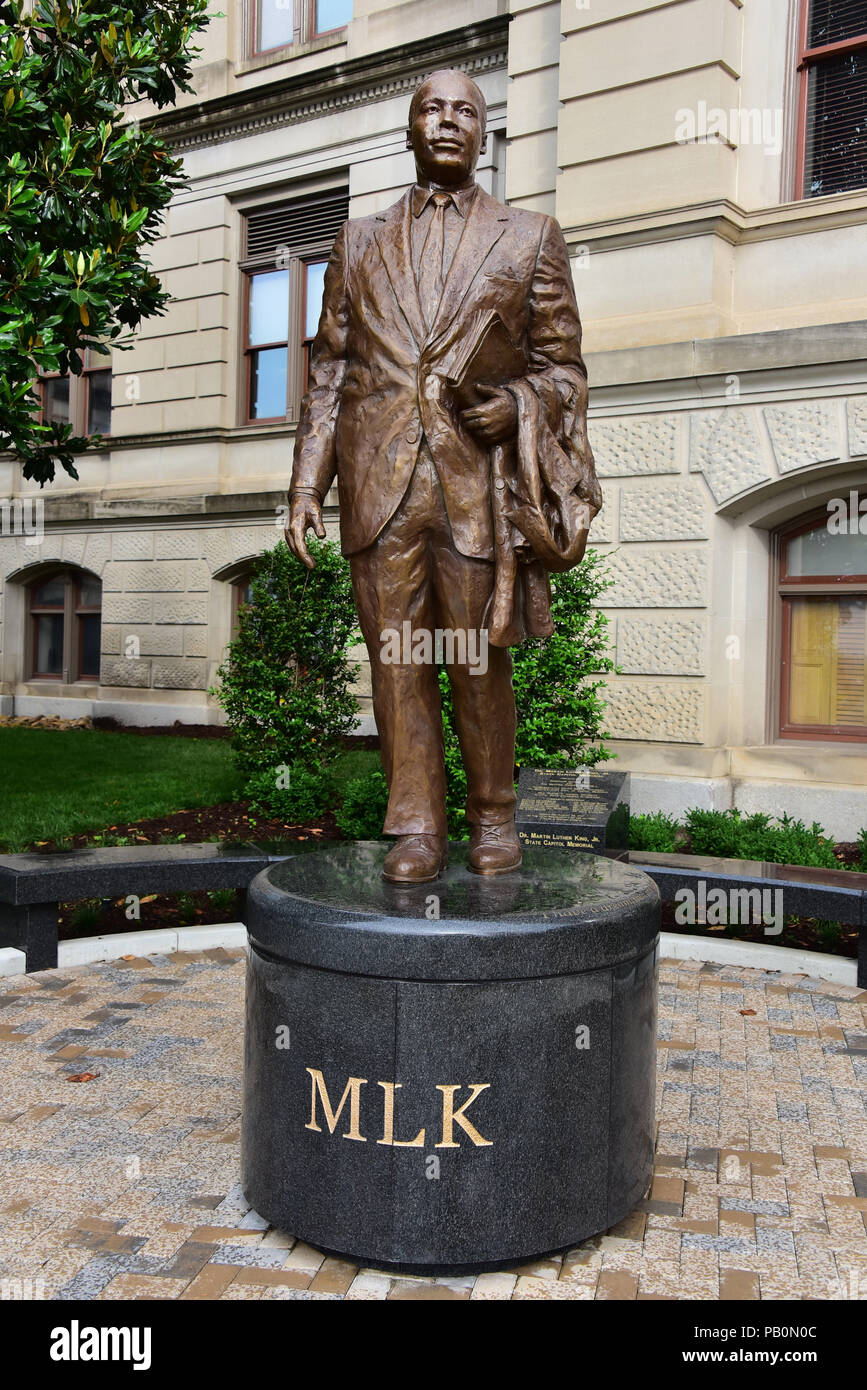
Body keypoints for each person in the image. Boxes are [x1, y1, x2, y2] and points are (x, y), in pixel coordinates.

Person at [286, 68, 600, 883]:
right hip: (379, 489)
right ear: (411, 129)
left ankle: (494, 815)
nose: (448, 121)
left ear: (483, 130)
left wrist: (518, 404)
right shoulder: (356, 242)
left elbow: (564, 369)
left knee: (473, 659)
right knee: (397, 663)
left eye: (465, 109)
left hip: (471, 492)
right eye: (433, 109)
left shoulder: (529, 236)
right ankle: (416, 827)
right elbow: (330, 372)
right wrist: (303, 488)